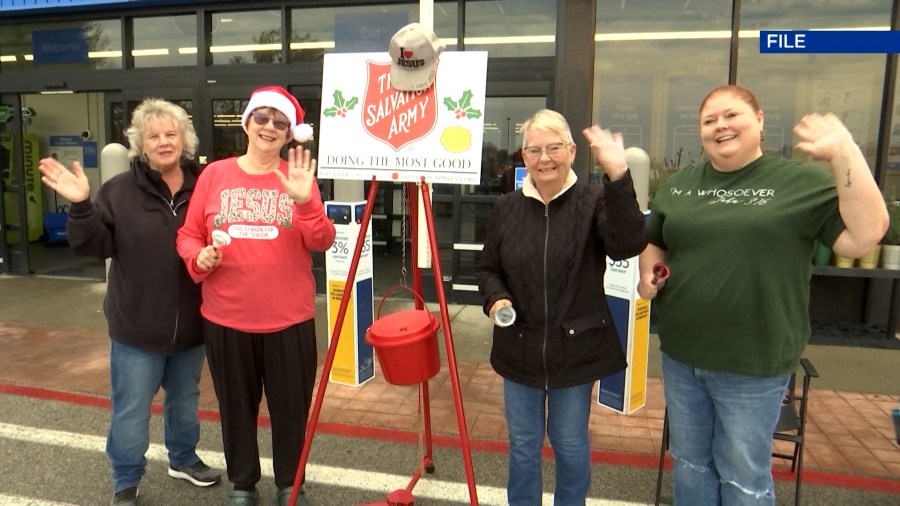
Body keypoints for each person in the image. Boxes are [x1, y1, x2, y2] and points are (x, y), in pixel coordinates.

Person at [637, 84, 889, 505]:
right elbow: (655, 239)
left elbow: (862, 237)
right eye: (709, 120)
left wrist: (844, 151)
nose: (720, 126)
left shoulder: (800, 182)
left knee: (742, 477)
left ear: (758, 120)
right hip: (682, 355)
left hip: (753, 363)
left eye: (731, 115)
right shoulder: (679, 186)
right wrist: (651, 273)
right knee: (690, 463)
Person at [38, 98, 221, 506]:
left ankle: (183, 457)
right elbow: (92, 247)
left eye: (171, 133)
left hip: (193, 323)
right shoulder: (118, 190)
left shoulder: (207, 185)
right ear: (140, 144)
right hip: (137, 328)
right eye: (153, 136)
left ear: (185, 139)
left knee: (185, 399)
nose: (163, 142)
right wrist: (82, 206)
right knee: (132, 410)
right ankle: (125, 477)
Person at [476, 108, 647, 505]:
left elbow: (627, 243)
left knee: (570, 445)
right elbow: (487, 268)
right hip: (519, 346)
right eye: (534, 150)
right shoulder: (506, 208)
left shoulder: (595, 201)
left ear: (572, 151)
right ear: (523, 156)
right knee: (522, 446)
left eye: (554, 148)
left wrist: (619, 177)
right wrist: (495, 297)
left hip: (576, 348)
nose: (544, 158)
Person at [176, 85, 335, 506]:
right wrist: (199, 256)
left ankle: (290, 483)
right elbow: (189, 234)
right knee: (235, 409)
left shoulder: (299, 178)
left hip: (288, 320)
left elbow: (322, 240)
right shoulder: (215, 175)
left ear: (289, 134)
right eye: (261, 118)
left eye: (279, 122)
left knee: (290, 411)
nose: (269, 127)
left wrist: (305, 203)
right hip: (226, 319)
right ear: (246, 123)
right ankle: (243, 483)